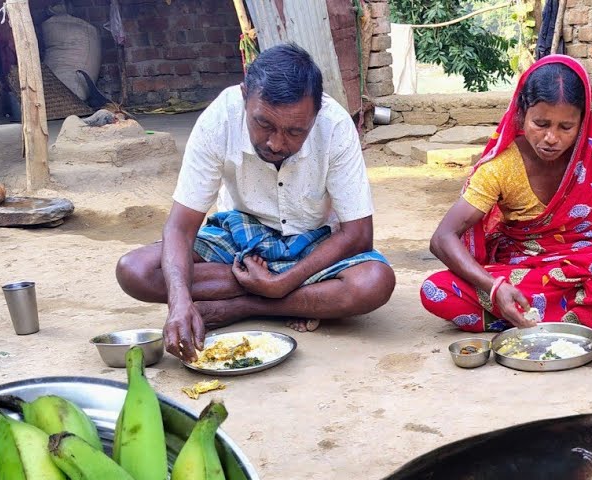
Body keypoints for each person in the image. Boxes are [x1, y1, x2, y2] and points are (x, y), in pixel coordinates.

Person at [115, 43, 395, 361]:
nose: (276, 143)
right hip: (238, 235)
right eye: (264, 124)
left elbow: (359, 234)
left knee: (374, 282)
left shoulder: (335, 126)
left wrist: (281, 283)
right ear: (245, 95)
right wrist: (179, 301)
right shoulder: (218, 119)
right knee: (135, 271)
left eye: (294, 131)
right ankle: (289, 298)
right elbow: (180, 228)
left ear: (316, 115)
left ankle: (246, 306)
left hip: (315, 242)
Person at [420, 55, 592, 336]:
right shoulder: (501, 168)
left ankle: (526, 315)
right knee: (437, 289)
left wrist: (585, 265)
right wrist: (496, 288)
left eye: (566, 127)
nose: (551, 138)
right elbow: (442, 238)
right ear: (521, 114)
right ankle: (571, 311)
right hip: (526, 269)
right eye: (541, 124)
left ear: (583, 122)